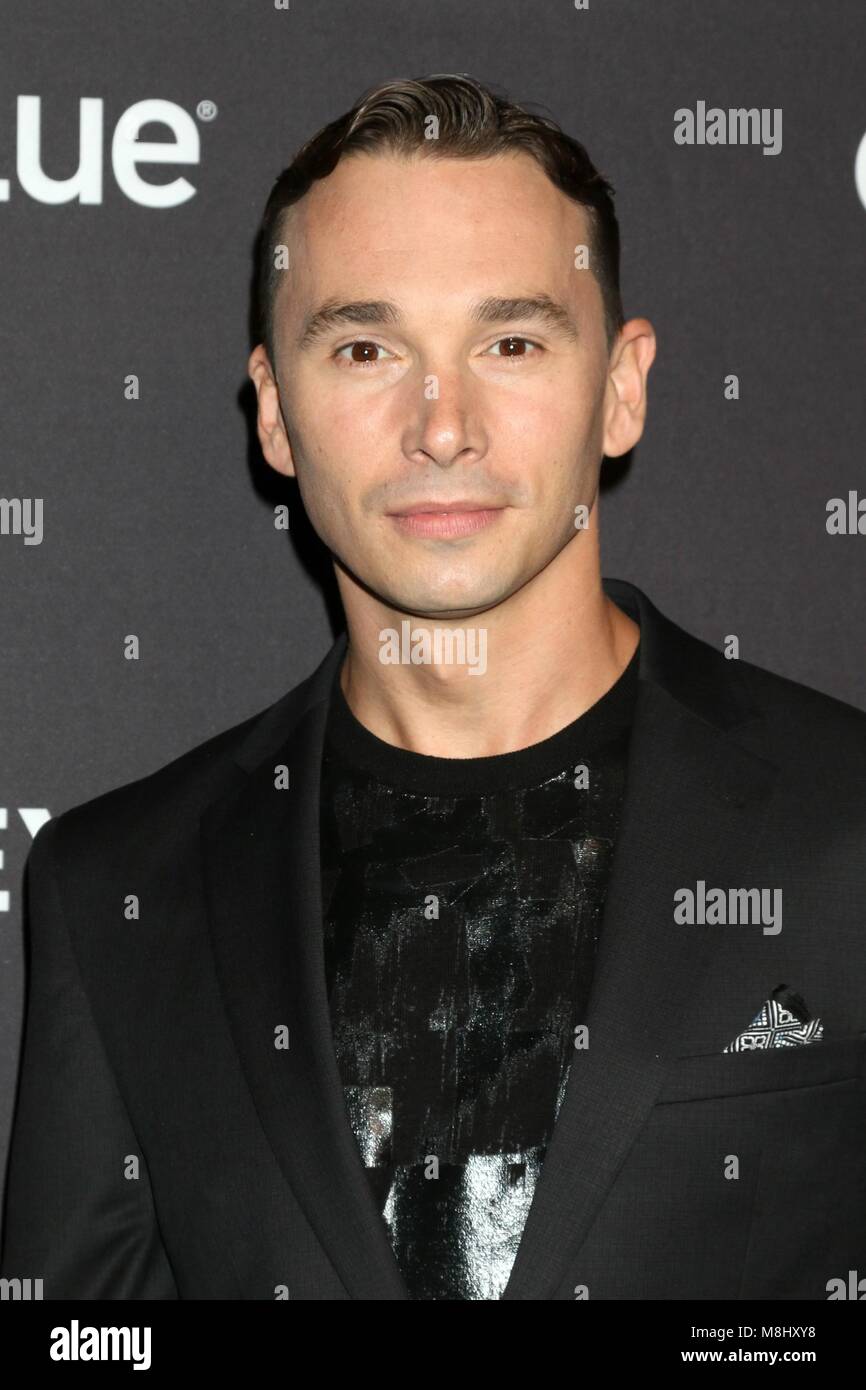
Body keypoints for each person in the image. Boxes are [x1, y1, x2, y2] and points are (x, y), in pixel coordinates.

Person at [2, 73, 865, 1302]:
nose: (441, 425)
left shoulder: (844, 825)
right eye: (365, 347)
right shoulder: (119, 891)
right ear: (275, 417)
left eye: (509, 342)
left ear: (620, 387)